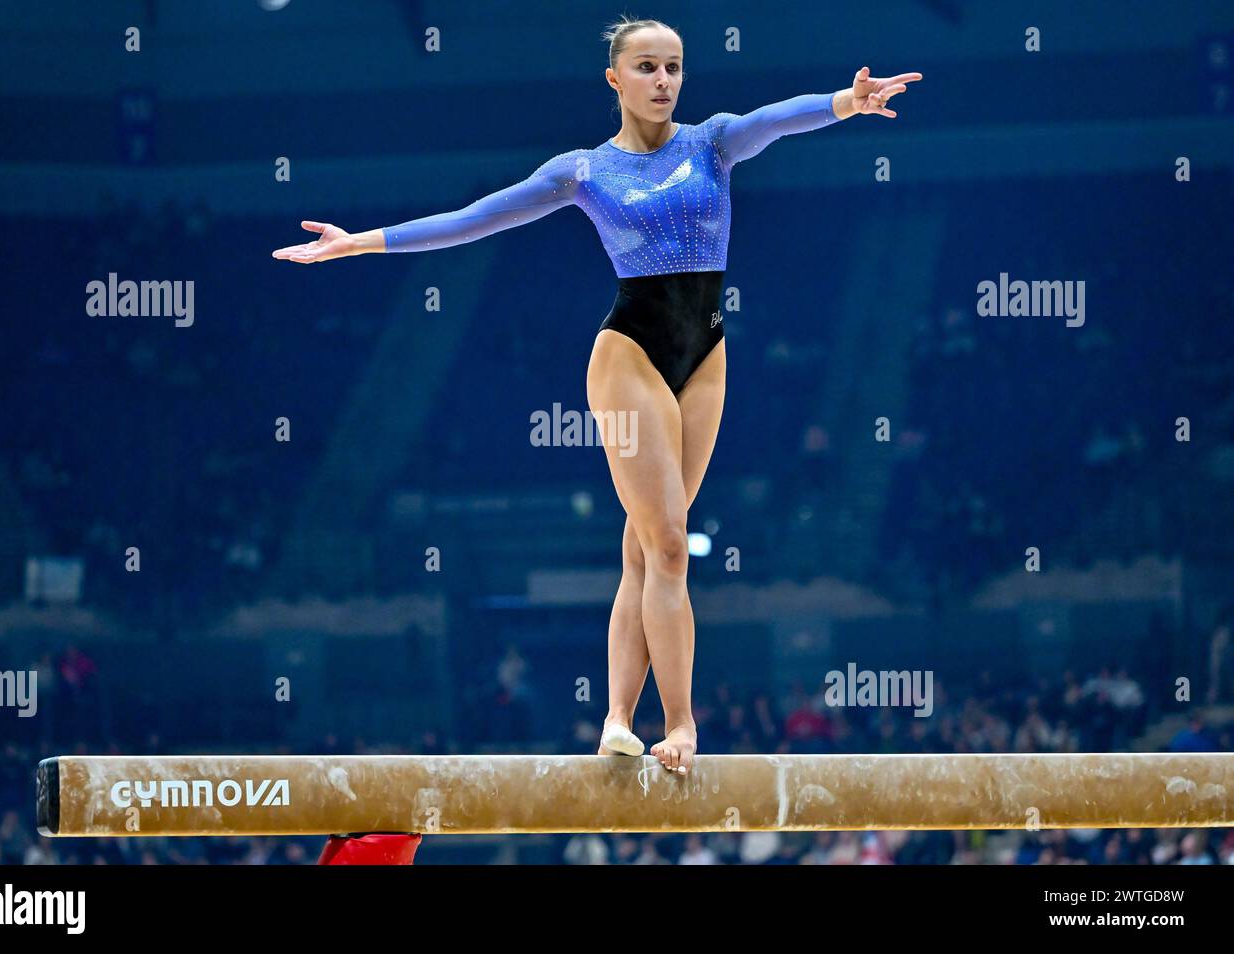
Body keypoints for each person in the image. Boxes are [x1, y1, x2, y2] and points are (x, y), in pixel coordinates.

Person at [273, 16, 921, 773]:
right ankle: (679, 725)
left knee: (647, 549)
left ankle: (616, 717)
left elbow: (774, 121)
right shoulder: (583, 171)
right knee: (670, 545)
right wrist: (364, 241)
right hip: (630, 357)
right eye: (646, 67)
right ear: (614, 79)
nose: (663, 81)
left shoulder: (711, 141)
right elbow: (476, 219)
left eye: (673, 67)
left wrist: (847, 102)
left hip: (705, 354)